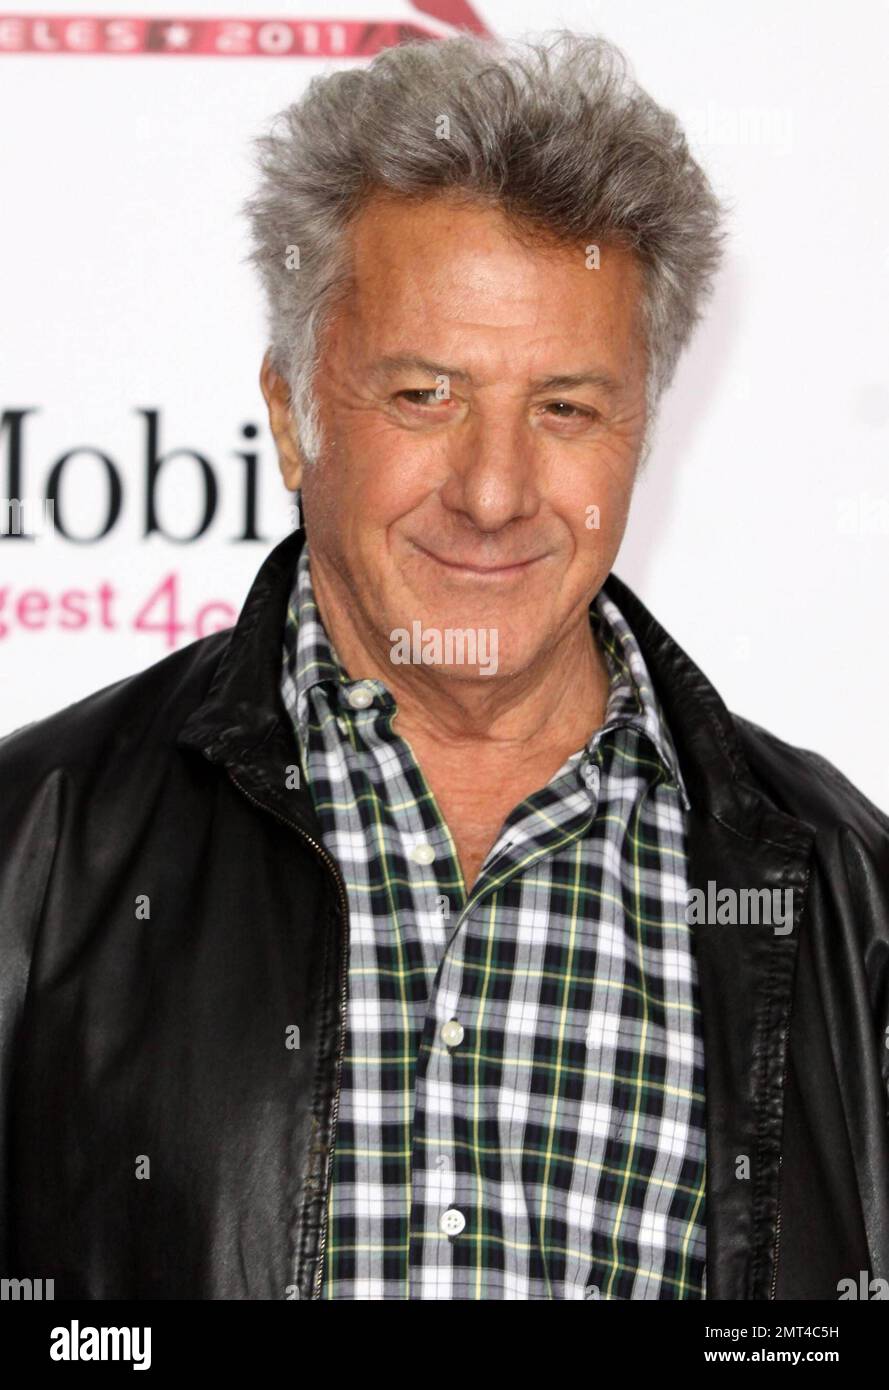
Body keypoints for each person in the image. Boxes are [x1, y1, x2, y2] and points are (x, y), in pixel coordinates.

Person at [1, 31, 887, 1302]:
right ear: (294, 411)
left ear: (643, 427)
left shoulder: (850, 899)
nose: (492, 490)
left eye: (566, 408)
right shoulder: (32, 852)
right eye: (425, 394)